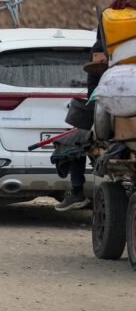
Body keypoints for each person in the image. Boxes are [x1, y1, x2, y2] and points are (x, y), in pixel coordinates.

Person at [55, 31, 105, 211]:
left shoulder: (101, 48)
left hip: (108, 112)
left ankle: (77, 190)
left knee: (75, 141)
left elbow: (93, 89)